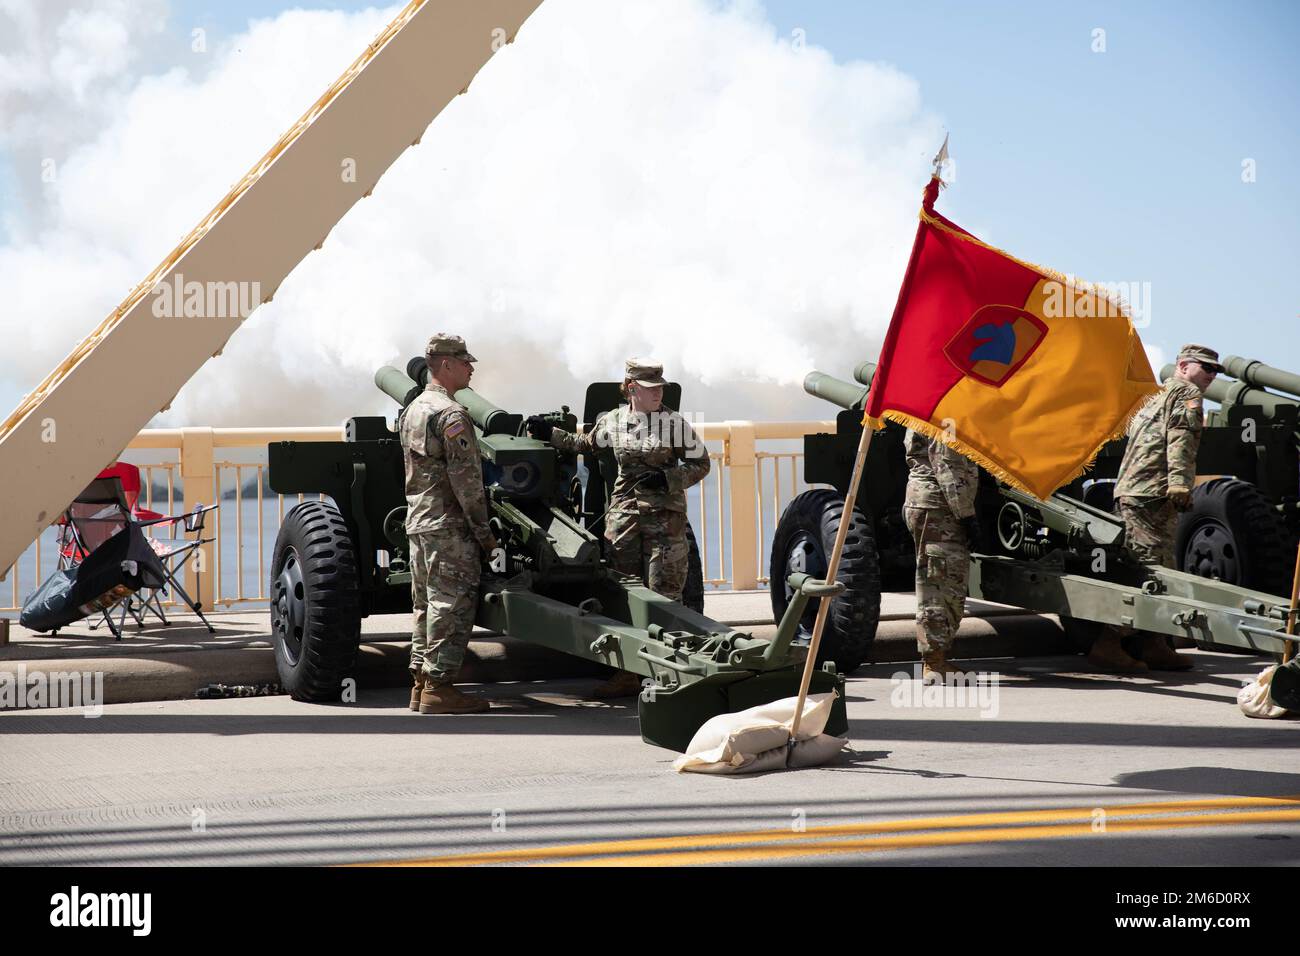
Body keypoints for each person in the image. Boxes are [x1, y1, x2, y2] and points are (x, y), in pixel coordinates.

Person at [527, 358, 710, 697]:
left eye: (660, 388)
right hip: (624, 519)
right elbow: (584, 445)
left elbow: (702, 463)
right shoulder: (612, 421)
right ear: (631, 389)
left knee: (664, 596)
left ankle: (666, 674)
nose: (658, 393)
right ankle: (627, 672)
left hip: (665, 523)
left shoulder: (673, 423)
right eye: (650, 388)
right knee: (624, 594)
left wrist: (669, 478)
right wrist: (548, 434)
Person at [1089, 343, 1222, 672]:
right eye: (1205, 367)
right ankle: (1108, 643)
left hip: (1138, 492)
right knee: (1149, 572)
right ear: (1183, 366)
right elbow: (1181, 439)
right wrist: (1179, 482)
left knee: (1159, 567)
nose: (1210, 375)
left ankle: (1155, 644)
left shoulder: (1154, 397)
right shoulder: (1187, 393)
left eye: (1215, 370)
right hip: (1152, 493)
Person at [400, 333, 499, 714]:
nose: (471, 367)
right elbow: (468, 484)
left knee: (425, 604)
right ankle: (440, 687)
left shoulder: (414, 410)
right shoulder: (452, 415)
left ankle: (421, 683)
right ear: (444, 365)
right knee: (450, 605)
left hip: (420, 522)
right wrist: (485, 536)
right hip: (449, 526)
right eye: (464, 361)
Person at [902, 428, 982, 683]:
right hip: (940, 507)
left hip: (932, 503)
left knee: (939, 580)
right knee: (940, 584)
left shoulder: (933, 404)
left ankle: (936, 658)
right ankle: (934, 663)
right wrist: (967, 515)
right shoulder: (946, 413)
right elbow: (948, 464)